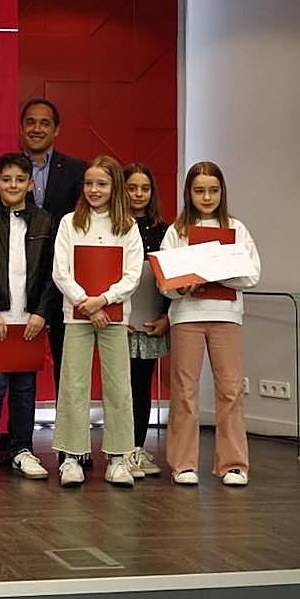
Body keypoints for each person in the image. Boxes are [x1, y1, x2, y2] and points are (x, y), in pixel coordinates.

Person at [162, 162, 260, 487]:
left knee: (230, 389)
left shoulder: (236, 228)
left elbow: (252, 274)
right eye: (200, 190)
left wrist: (215, 270)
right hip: (187, 316)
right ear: (189, 193)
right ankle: (183, 464)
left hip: (225, 316)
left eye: (213, 190)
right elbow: (165, 283)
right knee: (185, 391)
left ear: (222, 192)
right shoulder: (176, 231)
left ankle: (233, 464)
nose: (207, 197)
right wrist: (184, 284)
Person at [51, 155, 143, 487]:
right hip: (77, 317)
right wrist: (86, 304)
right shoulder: (69, 223)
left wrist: (104, 300)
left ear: (114, 187)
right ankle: (72, 457)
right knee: (74, 385)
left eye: (101, 184)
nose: (94, 189)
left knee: (119, 386)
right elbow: (61, 271)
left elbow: (133, 276)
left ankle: (119, 458)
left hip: (114, 317)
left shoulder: (128, 226)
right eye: (89, 183)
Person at [0, 153, 56, 482]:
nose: (13, 185)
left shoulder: (46, 221)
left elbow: (51, 273)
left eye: (20, 179)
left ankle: (22, 450)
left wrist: (42, 314)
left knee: (24, 389)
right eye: (6, 179)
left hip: (30, 320)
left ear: (31, 184)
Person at [0, 99, 85, 392]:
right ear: (21, 127)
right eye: (31, 122)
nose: (37, 128)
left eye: (45, 123)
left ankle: (67, 434)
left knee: (68, 363)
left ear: (56, 129)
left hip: (68, 282)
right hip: (21, 287)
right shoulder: (7, 170)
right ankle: (18, 436)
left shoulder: (78, 170)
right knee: (14, 372)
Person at [123, 162, 171, 479]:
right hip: (119, 322)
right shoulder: (113, 227)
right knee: (120, 390)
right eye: (132, 187)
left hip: (151, 322)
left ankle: (138, 449)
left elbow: (171, 277)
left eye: (145, 188)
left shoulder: (164, 231)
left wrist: (166, 317)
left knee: (142, 387)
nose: (139, 194)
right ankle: (121, 451)